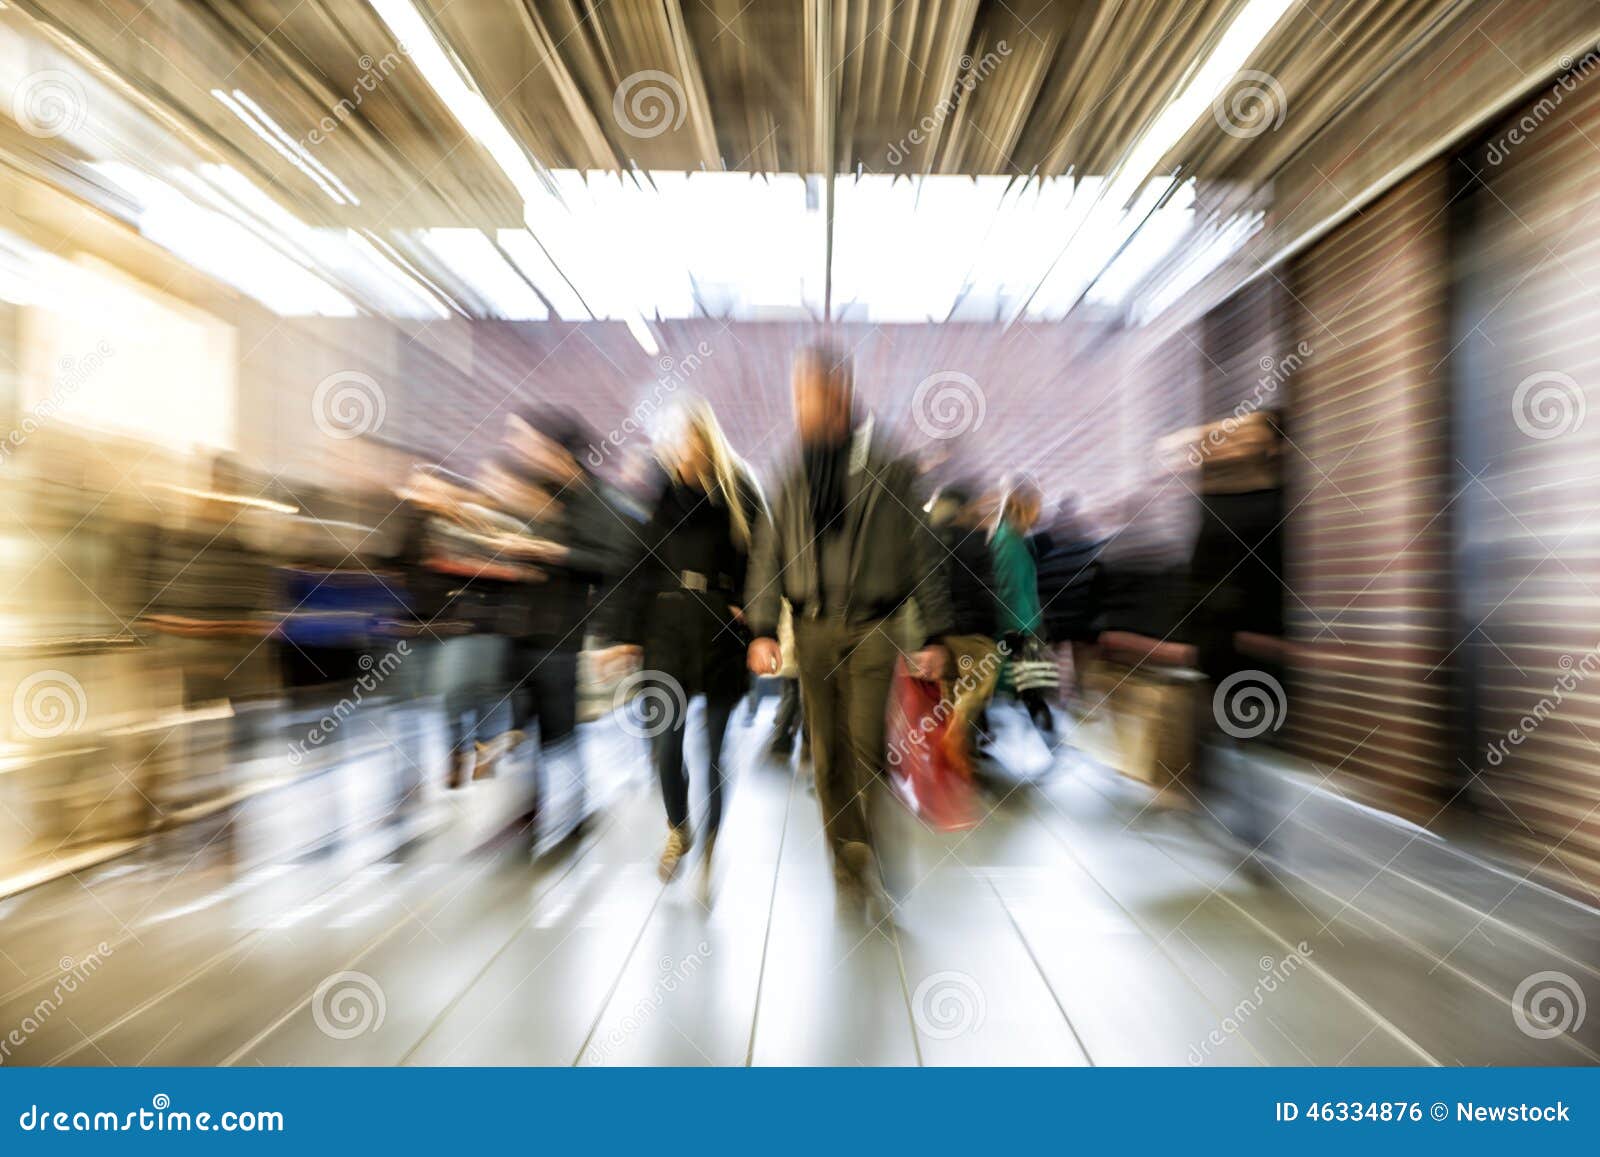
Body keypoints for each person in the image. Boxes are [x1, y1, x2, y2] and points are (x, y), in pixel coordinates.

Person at [744, 345, 952, 912]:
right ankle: (847, 856)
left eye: (808, 397)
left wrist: (935, 635)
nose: (800, 409)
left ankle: (875, 849)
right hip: (811, 629)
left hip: (872, 626)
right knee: (827, 753)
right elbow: (767, 551)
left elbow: (925, 554)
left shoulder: (891, 466)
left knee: (865, 748)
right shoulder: (793, 471)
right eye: (797, 398)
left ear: (840, 394)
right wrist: (762, 627)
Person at [609, 399, 765, 890]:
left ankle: (714, 838)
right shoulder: (665, 495)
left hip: (721, 632)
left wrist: (755, 616)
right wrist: (626, 637)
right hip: (667, 629)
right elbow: (639, 565)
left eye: (686, 435)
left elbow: (765, 560)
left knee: (716, 749)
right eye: (674, 437)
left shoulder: (739, 493)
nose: (678, 445)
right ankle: (680, 827)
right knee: (664, 743)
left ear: (705, 438)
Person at [927, 483, 1001, 774]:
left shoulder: (929, 541)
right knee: (981, 680)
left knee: (951, 689)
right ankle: (957, 735)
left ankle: (957, 756)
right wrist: (991, 628)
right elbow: (985, 591)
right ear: (964, 510)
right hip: (971, 630)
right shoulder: (975, 541)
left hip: (941, 631)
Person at [990, 475, 1055, 733]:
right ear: (1024, 504)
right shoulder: (1008, 542)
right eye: (1038, 504)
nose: (1040, 511)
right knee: (1025, 702)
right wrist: (1020, 635)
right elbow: (1008, 592)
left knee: (1029, 701)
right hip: (1018, 637)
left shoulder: (1013, 539)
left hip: (1023, 633)